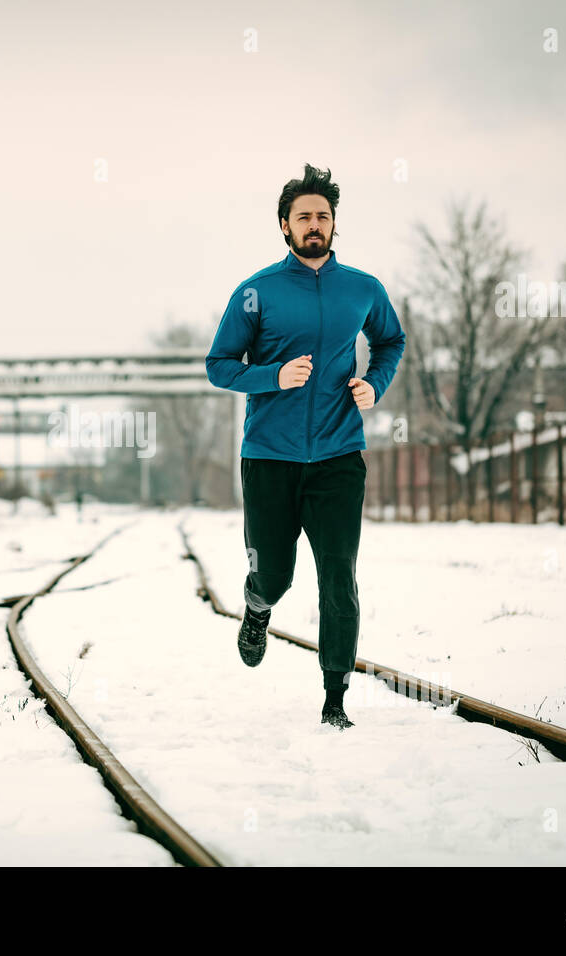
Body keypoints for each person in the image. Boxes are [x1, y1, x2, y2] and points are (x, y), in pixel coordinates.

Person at [205, 164, 406, 731]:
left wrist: (375, 383)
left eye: (322, 215)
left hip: (339, 457)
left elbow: (391, 340)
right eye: (303, 217)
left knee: (338, 575)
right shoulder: (256, 292)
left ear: (334, 223)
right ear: (285, 226)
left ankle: (335, 695)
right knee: (275, 573)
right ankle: (258, 604)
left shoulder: (363, 289)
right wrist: (272, 377)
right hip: (269, 456)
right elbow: (219, 366)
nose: (314, 224)